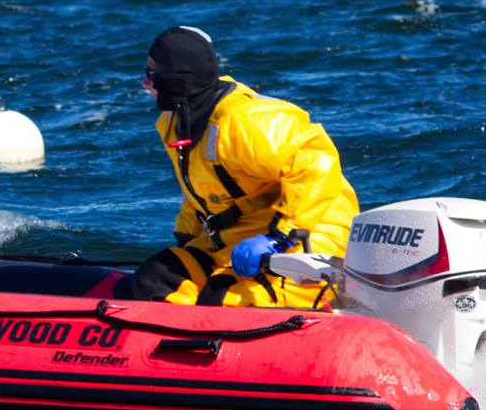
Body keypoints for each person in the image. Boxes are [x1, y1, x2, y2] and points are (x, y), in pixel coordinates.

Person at [125, 25, 357, 309]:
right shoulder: (173, 124)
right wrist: (186, 237)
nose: (145, 83)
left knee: (224, 301)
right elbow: (199, 190)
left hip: (306, 236)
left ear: (176, 79)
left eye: (151, 74)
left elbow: (317, 165)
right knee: (155, 279)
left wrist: (280, 238)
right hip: (235, 241)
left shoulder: (247, 121)